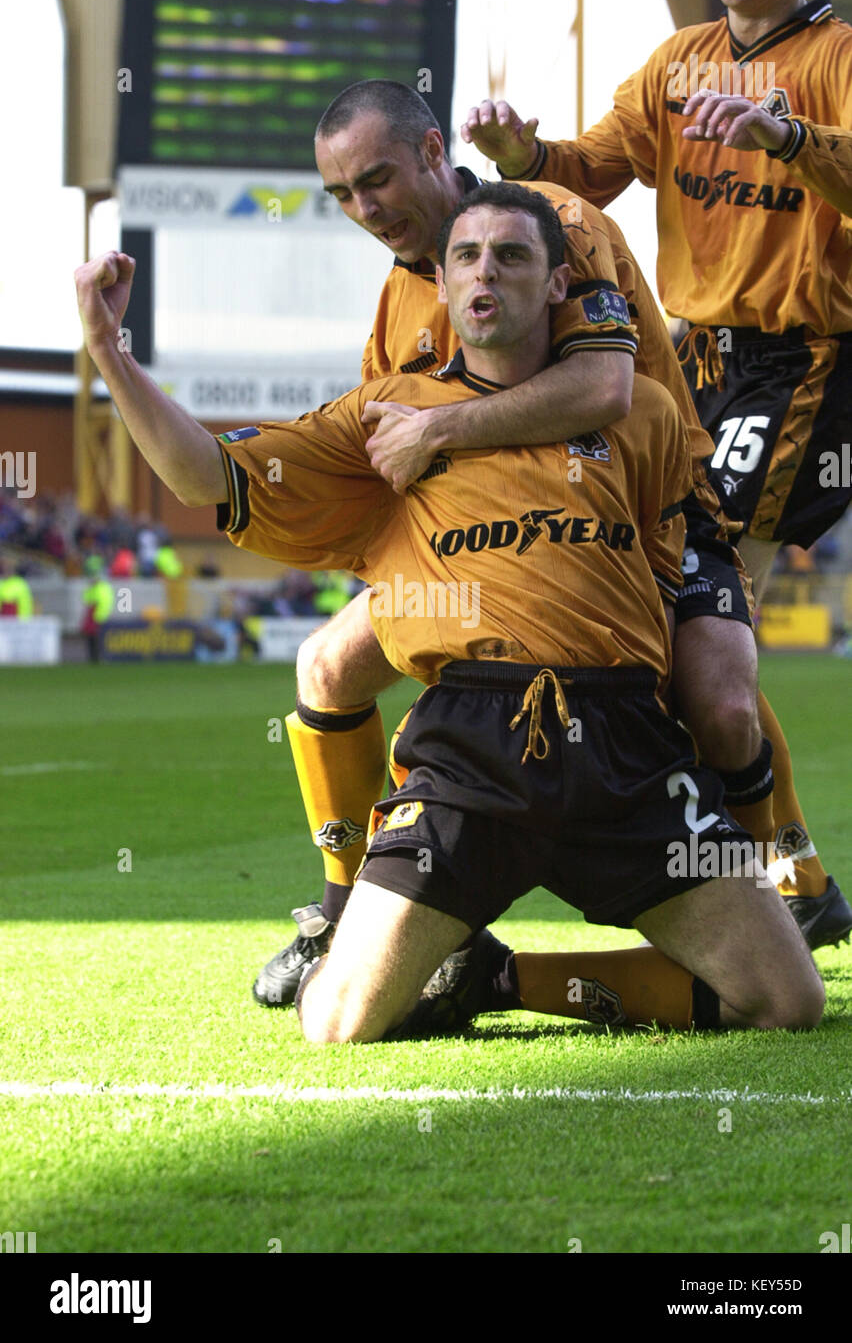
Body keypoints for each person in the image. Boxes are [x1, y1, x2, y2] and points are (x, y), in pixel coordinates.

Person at [73, 185, 823, 1042]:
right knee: (339, 1023)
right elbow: (209, 475)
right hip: (473, 742)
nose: (484, 273)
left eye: (512, 256)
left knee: (786, 1003)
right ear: (442, 283)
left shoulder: (640, 414)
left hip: (624, 746)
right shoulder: (384, 416)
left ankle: (499, 977)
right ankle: (345, 910)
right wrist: (110, 349)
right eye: (466, 256)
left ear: (555, 286)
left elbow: (666, 559)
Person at [253, 76, 805, 1009]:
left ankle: (794, 886)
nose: (365, 209)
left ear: (435, 154)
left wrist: (440, 432)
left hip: (648, 510)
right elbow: (392, 468)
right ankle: (343, 913)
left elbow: (601, 393)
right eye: (342, 195)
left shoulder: (548, 223)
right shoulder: (396, 305)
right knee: (327, 666)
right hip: (503, 547)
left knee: (719, 704)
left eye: (377, 179)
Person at [461, 0, 852, 944]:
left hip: (799, 358)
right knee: (689, 618)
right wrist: (524, 156)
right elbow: (589, 176)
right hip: (693, 359)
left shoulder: (838, 53)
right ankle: (793, 875)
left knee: (696, 606)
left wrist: (790, 135)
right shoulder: (677, 62)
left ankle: (773, 877)